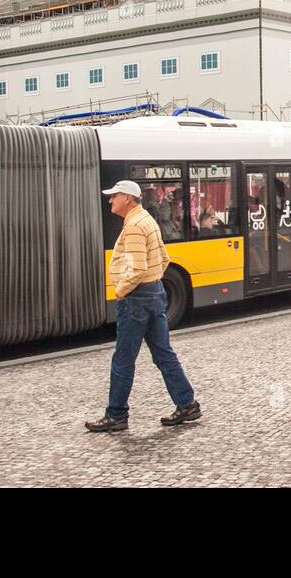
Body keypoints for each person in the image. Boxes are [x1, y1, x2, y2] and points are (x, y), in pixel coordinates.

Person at [86, 181, 200, 432]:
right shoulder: (146, 219)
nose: (110, 200)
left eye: (114, 196)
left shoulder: (135, 226)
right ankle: (187, 403)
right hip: (154, 292)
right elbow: (164, 258)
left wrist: (121, 291)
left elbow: (136, 268)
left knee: (123, 358)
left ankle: (116, 414)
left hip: (137, 297)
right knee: (163, 354)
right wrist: (153, 283)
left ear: (128, 198)